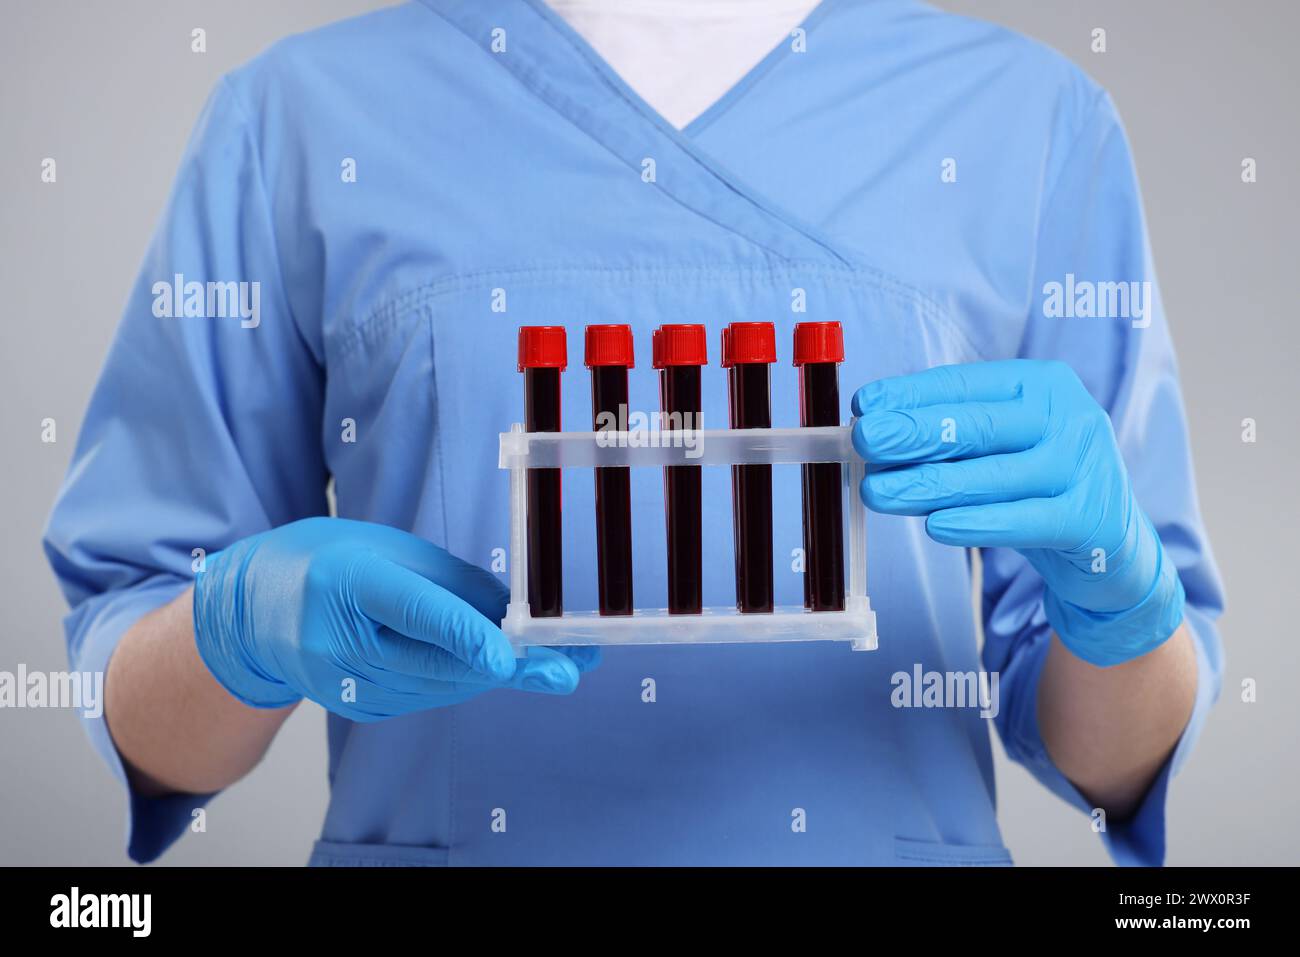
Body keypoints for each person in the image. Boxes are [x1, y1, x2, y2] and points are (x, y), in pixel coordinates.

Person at [44, 0, 1223, 866]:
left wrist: (1116, 598)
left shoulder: (1029, 123)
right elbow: (156, 733)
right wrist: (239, 630)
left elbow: (1113, 764)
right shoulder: (297, 117)